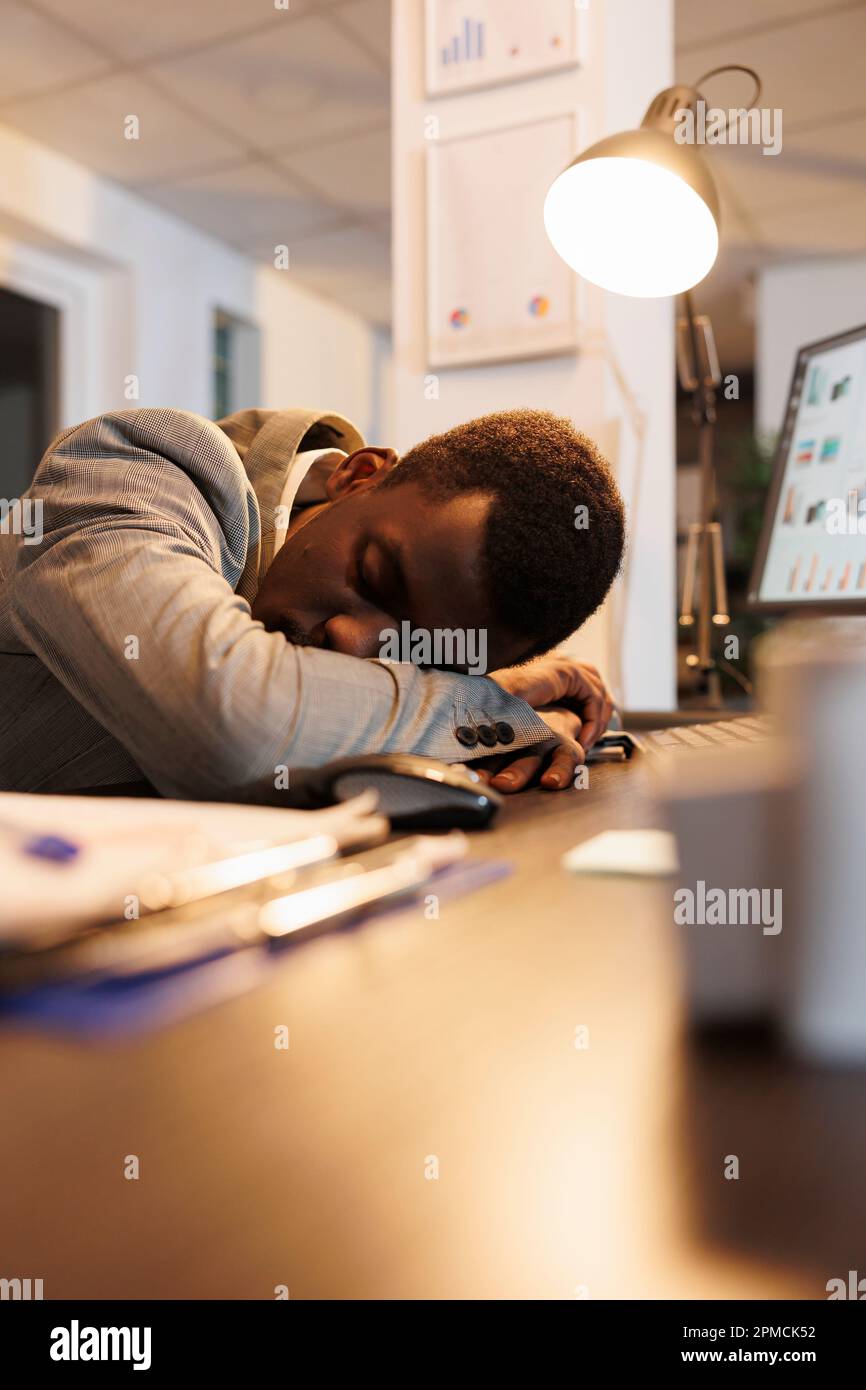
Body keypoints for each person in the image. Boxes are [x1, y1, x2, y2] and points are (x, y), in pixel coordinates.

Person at [0, 405, 624, 802]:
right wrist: (496, 706)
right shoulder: (147, 467)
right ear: (360, 475)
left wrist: (517, 726)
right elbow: (235, 722)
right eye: (373, 578)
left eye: (423, 657)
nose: (355, 643)